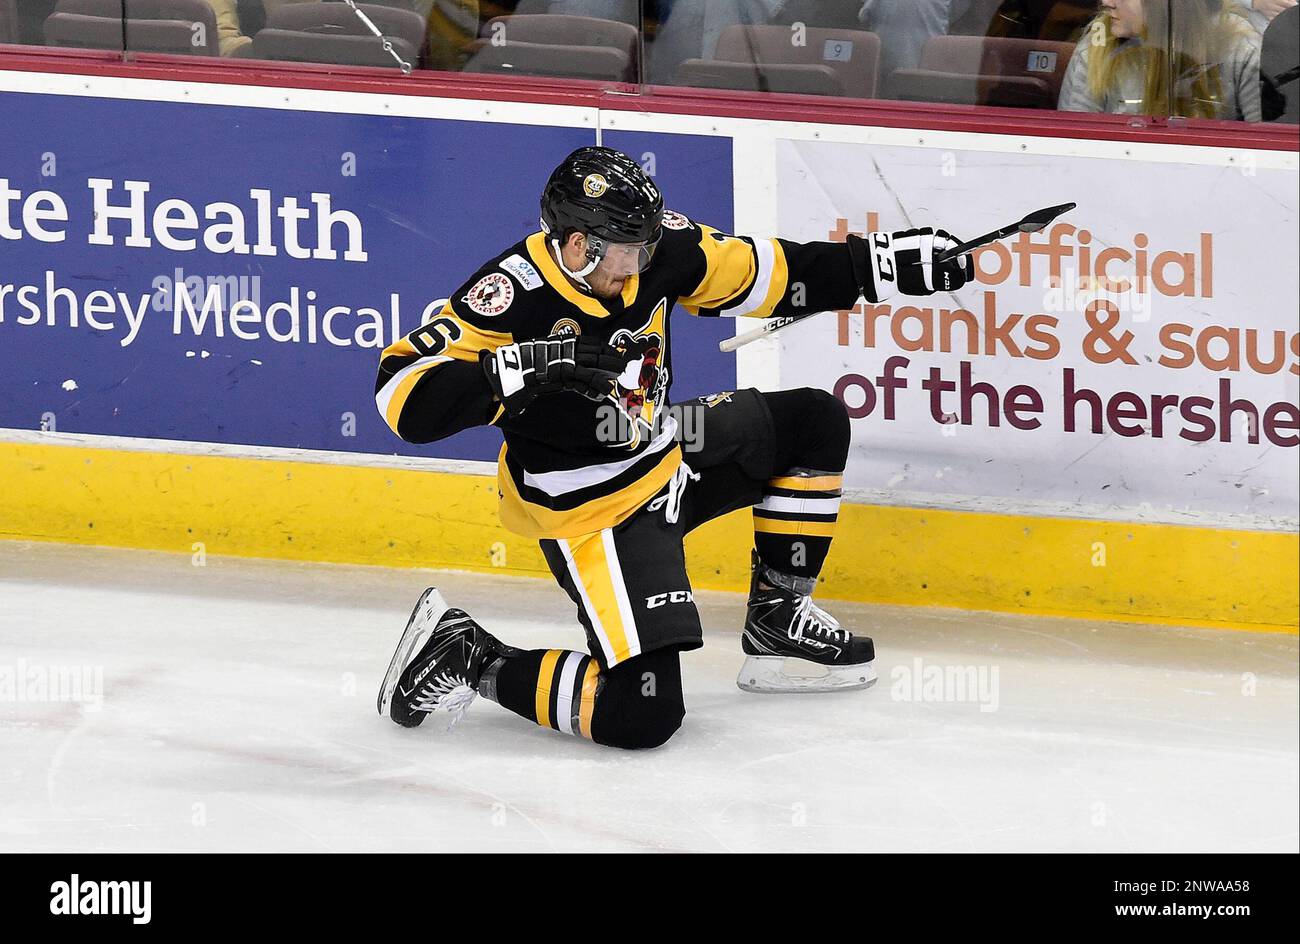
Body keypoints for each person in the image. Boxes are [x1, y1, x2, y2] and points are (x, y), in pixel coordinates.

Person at [374, 147, 972, 749]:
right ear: (578, 245)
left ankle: (776, 618)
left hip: (669, 445)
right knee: (643, 713)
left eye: (646, 247)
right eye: (626, 252)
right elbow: (402, 397)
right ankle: (471, 655)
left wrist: (879, 266)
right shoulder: (510, 295)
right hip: (594, 511)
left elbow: (764, 272)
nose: (639, 267)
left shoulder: (654, 250)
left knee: (812, 421)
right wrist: (512, 369)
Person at [1058, 0, 1262, 121]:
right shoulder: (1097, 47)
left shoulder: (1240, 47)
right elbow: (1076, 149)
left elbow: (1267, 149)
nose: (1107, 2)